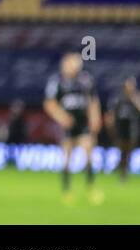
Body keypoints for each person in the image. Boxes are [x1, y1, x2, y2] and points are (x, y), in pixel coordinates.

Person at [43, 52, 102, 204]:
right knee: (67, 157)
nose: (75, 67)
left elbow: (93, 100)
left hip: (83, 123)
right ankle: (67, 190)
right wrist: (61, 117)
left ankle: (91, 188)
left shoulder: (86, 80)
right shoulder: (57, 81)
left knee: (89, 153)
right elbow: (49, 103)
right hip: (67, 124)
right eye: (72, 63)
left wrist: (95, 117)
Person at [106, 76, 140, 181]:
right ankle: (122, 170)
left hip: (132, 128)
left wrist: (135, 99)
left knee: (128, 150)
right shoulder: (118, 98)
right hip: (121, 128)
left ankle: (124, 169)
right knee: (123, 150)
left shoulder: (136, 98)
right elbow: (111, 113)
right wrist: (111, 126)